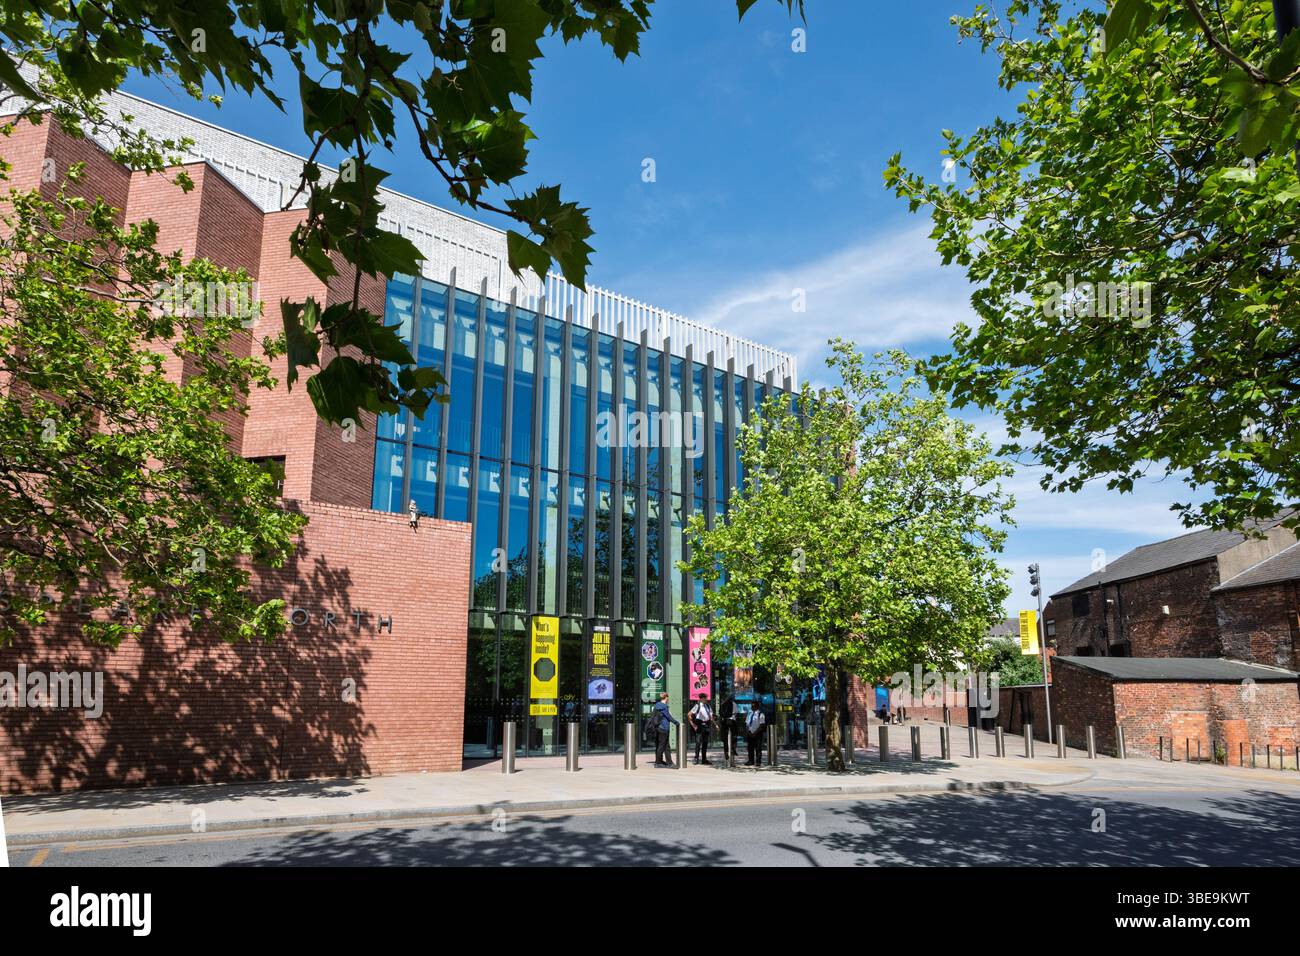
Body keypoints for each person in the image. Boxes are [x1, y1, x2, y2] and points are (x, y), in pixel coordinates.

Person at [653, 692, 679, 768]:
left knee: (665, 746)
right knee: (662, 746)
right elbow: (668, 717)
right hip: (664, 728)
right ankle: (658, 763)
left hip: (659, 728)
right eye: (668, 698)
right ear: (666, 697)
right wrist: (676, 722)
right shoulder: (663, 707)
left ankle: (667, 762)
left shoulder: (657, 705)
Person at [689, 694, 715, 765]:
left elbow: (711, 716)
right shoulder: (697, 706)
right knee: (698, 743)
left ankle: (704, 759)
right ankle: (696, 758)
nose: (706, 699)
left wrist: (715, 724)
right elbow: (689, 714)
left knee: (705, 743)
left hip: (706, 725)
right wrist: (693, 724)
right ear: (701, 699)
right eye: (705, 698)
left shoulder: (708, 706)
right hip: (699, 725)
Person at [718, 695, 737, 764]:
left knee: (725, 738)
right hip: (732, 721)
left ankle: (726, 752)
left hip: (724, 722)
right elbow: (735, 713)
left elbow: (720, 713)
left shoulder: (723, 704)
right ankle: (733, 748)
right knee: (734, 734)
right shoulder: (734, 704)